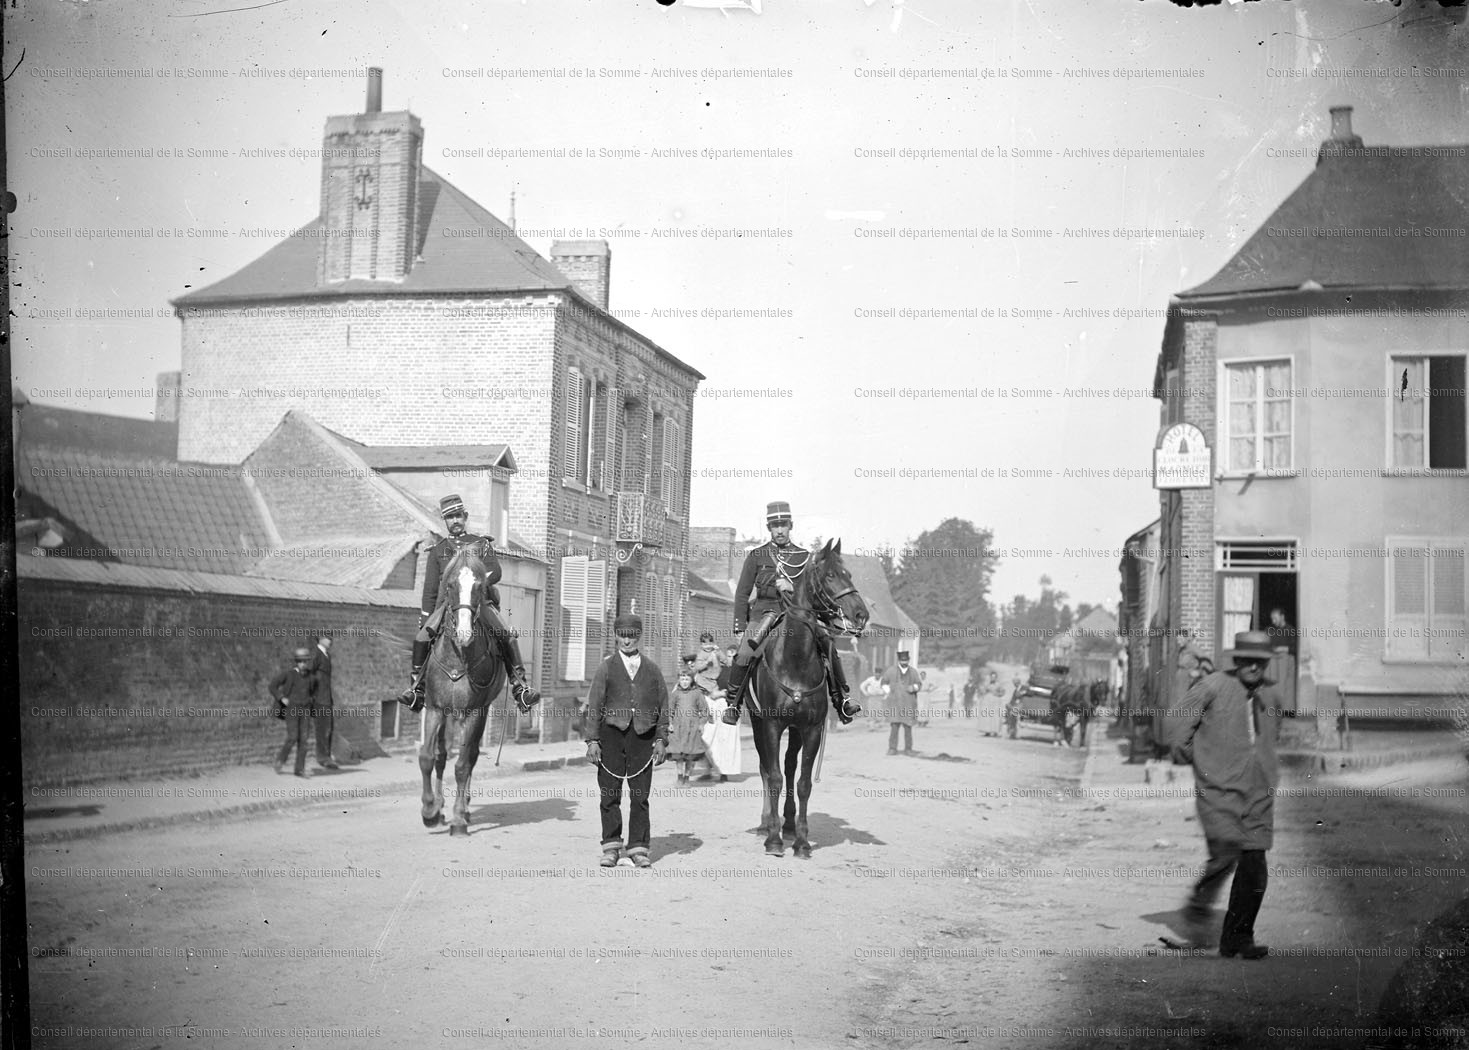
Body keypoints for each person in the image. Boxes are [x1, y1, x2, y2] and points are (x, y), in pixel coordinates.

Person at [1166, 630, 1295, 960]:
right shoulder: (1212, 687)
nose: (1253, 667)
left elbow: (1271, 735)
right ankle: (1199, 903)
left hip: (1259, 791)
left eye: (1260, 662)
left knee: (1254, 868)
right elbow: (1179, 727)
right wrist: (1201, 761)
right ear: (1236, 660)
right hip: (1220, 789)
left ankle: (1238, 938)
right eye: (1247, 660)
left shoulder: (1271, 694)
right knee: (1225, 849)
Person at [396, 494, 540, 713]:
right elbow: (430, 590)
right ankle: (417, 689)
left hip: (478, 603)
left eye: (458, 516)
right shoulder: (438, 550)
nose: (455, 521)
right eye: (450, 517)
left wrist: (474, 583)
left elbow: (496, 571)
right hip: (447, 606)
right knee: (421, 638)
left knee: (505, 635)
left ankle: (520, 687)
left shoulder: (480, 544)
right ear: (445, 521)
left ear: (465, 517)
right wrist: (426, 619)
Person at [721, 501, 861, 726]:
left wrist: (792, 588)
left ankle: (842, 699)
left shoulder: (804, 557)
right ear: (769, 528)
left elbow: (813, 591)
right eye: (775, 525)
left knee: (828, 646)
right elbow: (742, 594)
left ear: (790, 525)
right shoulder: (757, 556)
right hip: (763, 613)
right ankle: (732, 705)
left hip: (795, 615)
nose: (779, 530)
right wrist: (739, 626)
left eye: (783, 524)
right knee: (745, 653)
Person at [584, 614, 670, 869]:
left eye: (631, 636)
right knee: (609, 793)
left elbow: (663, 707)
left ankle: (638, 848)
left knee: (640, 796)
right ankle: (611, 847)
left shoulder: (653, 670)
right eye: (622, 635)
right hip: (610, 737)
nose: (627, 641)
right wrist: (592, 740)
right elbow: (595, 705)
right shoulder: (607, 667)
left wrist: (661, 739)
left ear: (639, 637)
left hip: (643, 738)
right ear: (615, 636)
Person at [270, 646, 318, 778]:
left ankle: (299, 769)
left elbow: (314, 692)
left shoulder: (312, 677)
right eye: (300, 661)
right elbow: (272, 686)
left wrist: (311, 700)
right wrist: (281, 698)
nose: (303, 664)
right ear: (296, 662)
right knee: (292, 737)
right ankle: (280, 760)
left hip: (305, 711)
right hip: (292, 710)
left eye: (305, 661)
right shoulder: (288, 674)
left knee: (304, 740)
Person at [667, 671, 712, 786]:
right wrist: (670, 723)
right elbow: (669, 710)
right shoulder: (675, 694)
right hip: (678, 728)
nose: (685, 682)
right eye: (682, 679)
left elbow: (704, 710)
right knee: (678, 755)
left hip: (692, 728)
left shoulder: (697, 694)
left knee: (689, 755)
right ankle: (679, 777)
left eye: (687, 679)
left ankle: (687, 777)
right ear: (678, 681)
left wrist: (701, 724)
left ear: (691, 680)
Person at [881, 650, 922, 755]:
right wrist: (888, 690)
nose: (904, 662)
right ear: (899, 661)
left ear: (908, 660)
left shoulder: (913, 672)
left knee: (908, 728)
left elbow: (919, 684)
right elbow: (884, 682)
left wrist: (913, 687)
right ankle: (892, 748)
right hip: (895, 703)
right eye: (902, 661)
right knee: (894, 727)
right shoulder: (891, 671)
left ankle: (908, 749)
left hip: (908, 704)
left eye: (906, 660)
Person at [309, 634, 339, 771]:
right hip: (319, 699)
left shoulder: (327, 655)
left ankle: (326, 756)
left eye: (331, 638)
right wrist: (312, 696)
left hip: (326, 698)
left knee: (328, 728)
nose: (330, 640)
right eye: (328, 637)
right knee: (322, 729)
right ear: (320, 639)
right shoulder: (316, 655)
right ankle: (323, 758)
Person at [690, 631, 724, 697]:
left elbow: (724, 660)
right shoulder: (701, 654)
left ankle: (716, 695)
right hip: (703, 683)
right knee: (704, 699)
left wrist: (719, 651)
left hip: (713, 683)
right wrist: (707, 661)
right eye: (705, 645)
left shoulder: (715, 652)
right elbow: (698, 667)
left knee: (715, 701)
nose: (708, 646)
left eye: (710, 644)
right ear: (701, 645)